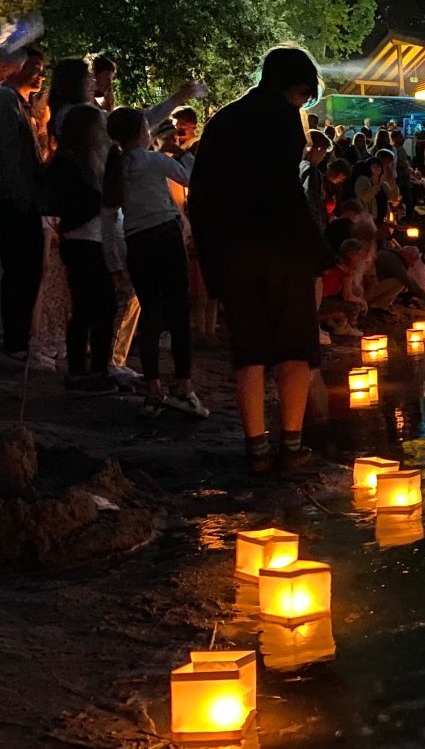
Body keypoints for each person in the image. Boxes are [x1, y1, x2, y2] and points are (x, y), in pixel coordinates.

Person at [188, 47, 331, 473]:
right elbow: (285, 189)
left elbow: (202, 194)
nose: (303, 105)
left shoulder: (224, 120)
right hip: (281, 249)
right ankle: (291, 445)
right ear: (297, 86)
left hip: (233, 253)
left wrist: (212, 256)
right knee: (294, 349)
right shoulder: (281, 117)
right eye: (305, 96)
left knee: (248, 352)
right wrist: (315, 251)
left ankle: (256, 450)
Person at [107, 107, 208, 418]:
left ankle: (153, 391)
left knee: (151, 314)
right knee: (178, 313)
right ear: (143, 132)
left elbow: (108, 220)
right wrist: (183, 154)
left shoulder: (115, 168)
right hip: (165, 236)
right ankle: (183, 387)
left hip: (136, 242)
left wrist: (114, 262)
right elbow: (193, 179)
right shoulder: (154, 160)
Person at [41, 104, 121, 392]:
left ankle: (95, 369)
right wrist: (96, 205)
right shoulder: (68, 163)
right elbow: (65, 204)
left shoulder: (94, 161)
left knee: (99, 307)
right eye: (100, 126)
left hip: (95, 239)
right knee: (90, 307)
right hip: (80, 241)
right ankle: (82, 371)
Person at [0, 47, 47, 363]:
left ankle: (18, 340)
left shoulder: (23, 105)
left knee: (26, 270)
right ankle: (14, 343)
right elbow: (7, 153)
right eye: (34, 66)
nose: (40, 75)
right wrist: (18, 195)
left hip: (24, 198)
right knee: (21, 269)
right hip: (14, 200)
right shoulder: (5, 101)